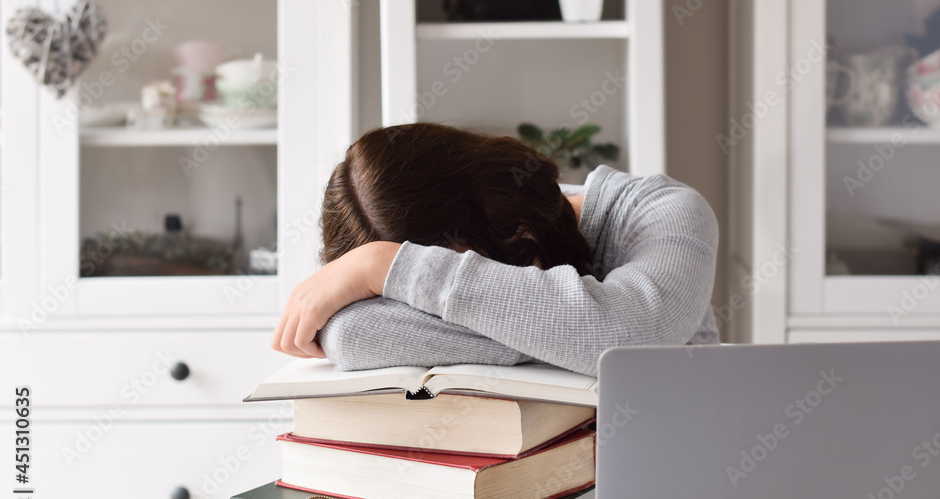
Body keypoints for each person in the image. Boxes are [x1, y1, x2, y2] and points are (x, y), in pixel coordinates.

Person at [271, 122, 719, 376]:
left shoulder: (666, 212)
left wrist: (384, 265)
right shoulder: (501, 231)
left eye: (458, 265)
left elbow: (630, 342)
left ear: (515, 226)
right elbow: (352, 335)